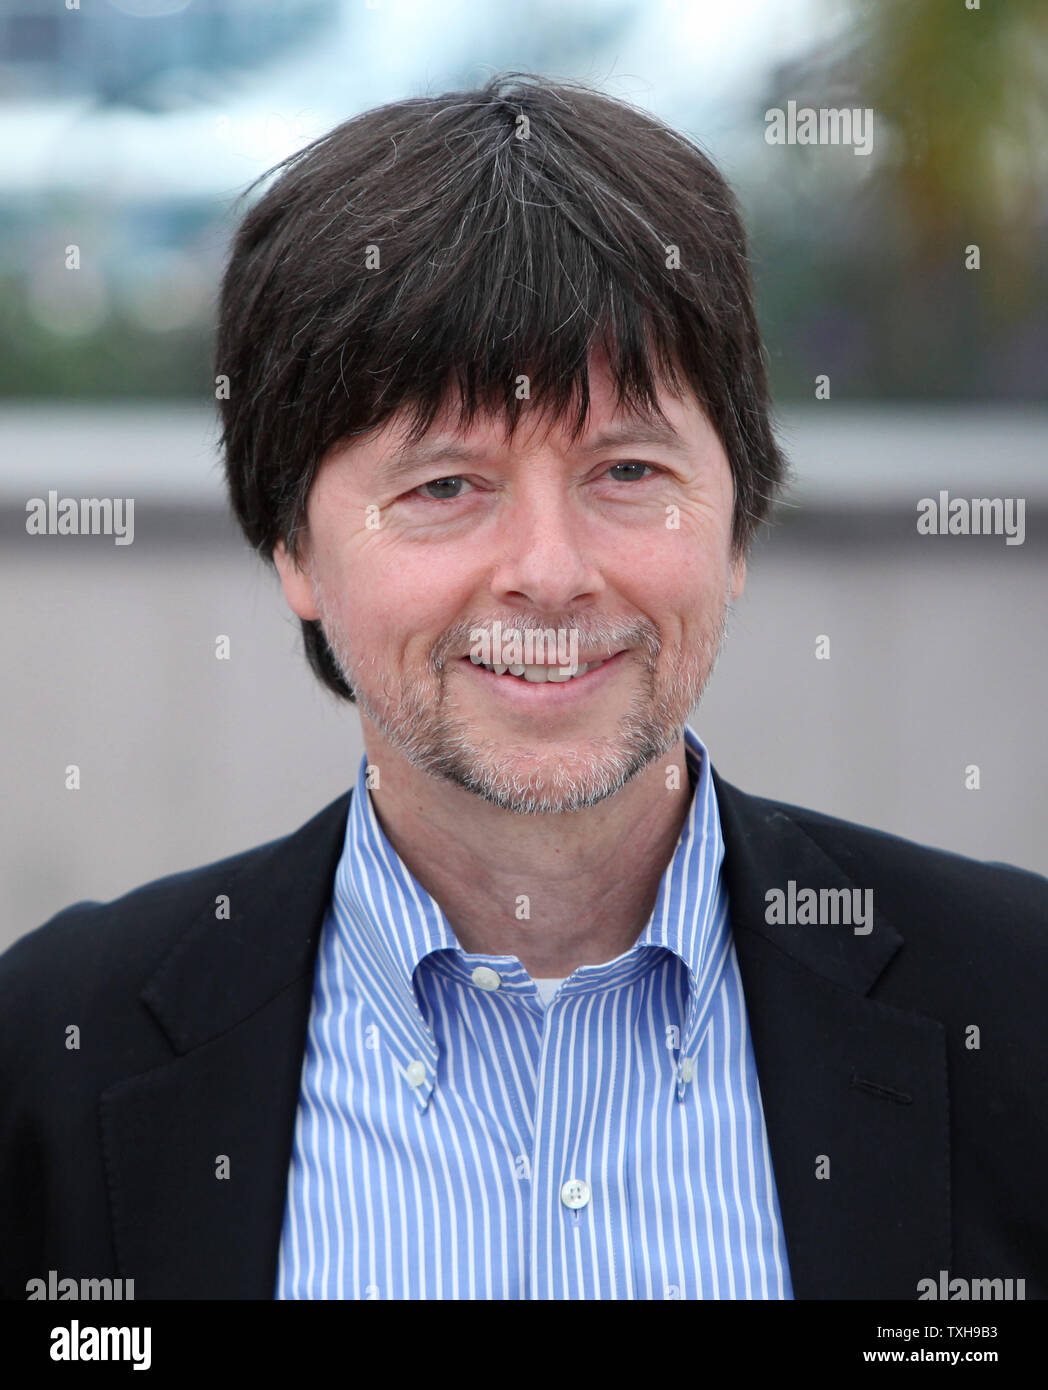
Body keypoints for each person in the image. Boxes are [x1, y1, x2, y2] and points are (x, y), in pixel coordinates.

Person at [2, 72, 1046, 1302]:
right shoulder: (54, 1062)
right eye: (445, 486)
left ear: (738, 520)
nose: (548, 574)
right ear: (291, 547)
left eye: (626, 468)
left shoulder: (1015, 1014)